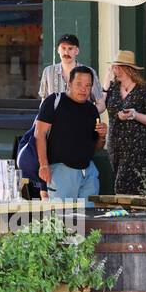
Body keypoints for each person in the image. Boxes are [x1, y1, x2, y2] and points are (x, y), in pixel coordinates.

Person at [35, 66, 108, 202]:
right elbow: (39, 134)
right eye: (79, 84)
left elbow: (96, 148)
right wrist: (43, 165)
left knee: (87, 220)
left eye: (88, 85)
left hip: (88, 172)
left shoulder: (92, 109)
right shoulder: (54, 101)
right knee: (63, 220)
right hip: (61, 172)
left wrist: (102, 136)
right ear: (69, 83)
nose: (83, 89)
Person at [102, 50, 146, 195]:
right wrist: (105, 83)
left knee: (124, 186)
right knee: (123, 182)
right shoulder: (112, 89)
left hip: (137, 145)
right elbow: (100, 106)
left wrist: (135, 115)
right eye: (114, 67)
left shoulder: (144, 90)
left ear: (129, 69)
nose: (115, 70)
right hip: (115, 144)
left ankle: (130, 216)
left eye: (119, 67)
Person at [39, 33, 106, 113]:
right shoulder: (48, 71)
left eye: (70, 49)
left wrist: (86, 114)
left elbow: (101, 104)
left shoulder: (89, 72)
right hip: (55, 123)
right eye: (63, 48)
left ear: (76, 51)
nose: (66, 53)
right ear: (58, 50)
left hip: (80, 123)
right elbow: (44, 102)